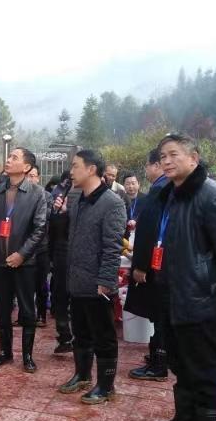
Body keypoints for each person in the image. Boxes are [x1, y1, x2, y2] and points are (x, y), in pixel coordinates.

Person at [147, 133, 216, 421]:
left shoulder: (212, 195)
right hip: (173, 296)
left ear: (194, 157)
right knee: (181, 365)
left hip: (201, 300)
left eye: (173, 154)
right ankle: (184, 420)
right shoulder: (171, 194)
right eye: (163, 156)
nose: (166, 161)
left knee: (205, 373)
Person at [56, 151, 126, 401]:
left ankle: (106, 386)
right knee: (81, 332)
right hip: (77, 280)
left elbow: (112, 247)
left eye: (75, 166)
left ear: (91, 169)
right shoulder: (78, 200)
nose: (71, 171)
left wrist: (105, 282)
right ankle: (82, 374)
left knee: (103, 336)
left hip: (98, 284)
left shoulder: (112, 203)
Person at [0, 148, 47, 372]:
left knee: (27, 311)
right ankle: (5, 352)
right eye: (9, 157)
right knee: (1, 310)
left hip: (25, 264)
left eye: (14, 158)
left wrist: (22, 254)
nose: (8, 160)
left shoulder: (37, 193)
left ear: (26, 167)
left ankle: (27, 356)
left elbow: (40, 229)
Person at [126, 148, 170, 381]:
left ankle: (158, 363)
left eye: (147, 165)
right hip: (167, 263)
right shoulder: (171, 187)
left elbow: (149, 232)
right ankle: (160, 355)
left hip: (156, 264)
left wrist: (141, 265)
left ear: (156, 165)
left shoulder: (159, 190)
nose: (146, 170)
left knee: (159, 313)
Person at [48, 170, 75, 354]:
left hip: (79, 255)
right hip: (60, 253)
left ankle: (81, 339)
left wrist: (67, 212)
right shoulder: (60, 195)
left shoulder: (94, 197)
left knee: (79, 298)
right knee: (59, 296)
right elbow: (54, 228)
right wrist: (59, 213)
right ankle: (64, 335)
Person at [27, 164, 52, 327]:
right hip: (23, 247)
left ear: (38, 178)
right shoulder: (18, 195)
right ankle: (25, 315)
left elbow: (47, 217)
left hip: (42, 247)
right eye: (27, 176)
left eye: (33, 176)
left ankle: (41, 315)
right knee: (25, 284)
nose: (30, 179)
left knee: (41, 284)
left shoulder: (47, 196)